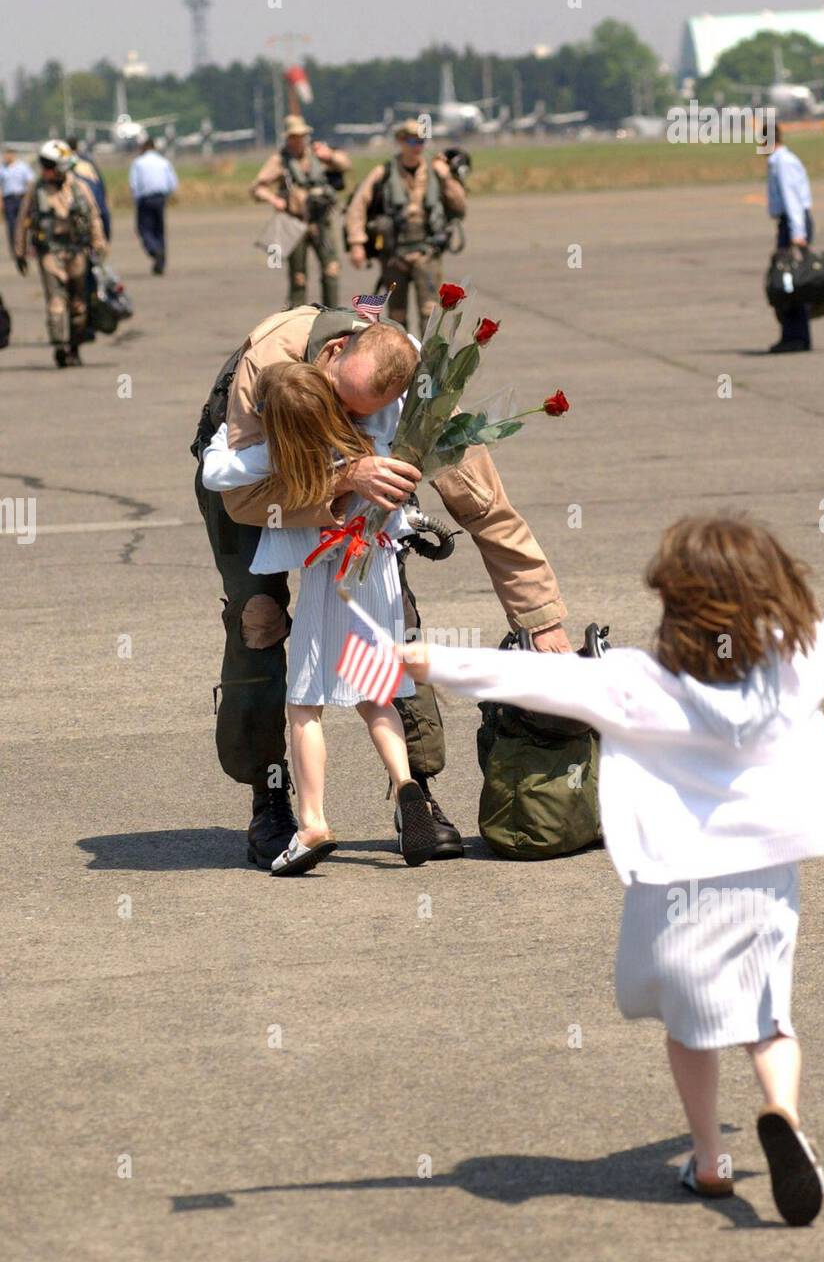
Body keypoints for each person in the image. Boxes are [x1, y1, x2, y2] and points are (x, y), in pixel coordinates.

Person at [399, 516, 824, 1227]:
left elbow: (532, 676)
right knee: (769, 1019)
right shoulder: (789, 670)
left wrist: (424, 659)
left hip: (674, 887)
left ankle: (708, 1161)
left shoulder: (640, 682)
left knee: (690, 1025)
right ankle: (782, 1111)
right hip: (763, 879)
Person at [192, 303, 569, 873]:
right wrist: (341, 479)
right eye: (339, 405)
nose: (345, 423)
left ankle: (414, 790)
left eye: (360, 416)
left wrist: (541, 620)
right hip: (256, 479)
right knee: (259, 617)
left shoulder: (420, 389)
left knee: (393, 626)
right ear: (332, 354)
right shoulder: (268, 365)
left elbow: (486, 509)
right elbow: (240, 498)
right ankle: (269, 797)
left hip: (350, 507)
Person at [203, 361, 439, 874]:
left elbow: (216, 472)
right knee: (377, 698)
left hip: (329, 578)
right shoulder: (369, 435)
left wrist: (227, 433)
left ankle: (312, 824)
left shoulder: (281, 456)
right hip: (377, 575)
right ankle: (407, 787)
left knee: (305, 707)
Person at [345, 119, 466, 334]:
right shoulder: (383, 172)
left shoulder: (435, 172)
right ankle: (402, 364)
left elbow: (460, 207)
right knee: (397, 317)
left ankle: (428, 366)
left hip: (427, 252)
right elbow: (358, 205)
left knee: (430, 314)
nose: (417, 146)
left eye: (421, 141)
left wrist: (447, 175)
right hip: (395, 255)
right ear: (400, 142)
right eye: (412, 140)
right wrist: (356, 243)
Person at [13, 139, 106, 367]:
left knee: (78, 302)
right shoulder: (36, 190)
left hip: (76, 252)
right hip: (50, 254)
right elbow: (22, 222)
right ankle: (60, 347)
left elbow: (93, 215)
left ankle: (74, 345)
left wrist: (99, 243)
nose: (45, 171)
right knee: (56, 302)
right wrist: (20, 252)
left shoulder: (78, 187)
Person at [250, 114, 350, 309]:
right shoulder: (279, 161)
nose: (298, 141)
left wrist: (330, 156)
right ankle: (297, 315)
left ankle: (333, 314)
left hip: (322, 221)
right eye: (293, 137)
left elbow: (346, 164)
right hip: (294, 223)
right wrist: (274, 199)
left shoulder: (318, 154)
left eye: (301, 136)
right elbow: (256, 188)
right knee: (298, 277)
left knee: (332, 269)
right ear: (287, 138)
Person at [766, 124, 813, 354]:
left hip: (793, 224)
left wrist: (797, 235)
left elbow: (792, 199)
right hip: (792, 224)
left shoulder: (782, 163)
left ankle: (795, 336)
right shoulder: (779, 161)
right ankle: (796, 335)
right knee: (792, 282)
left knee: (789, 282)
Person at [129, 137, 178, 274]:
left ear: (143, 148)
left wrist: (137, 199)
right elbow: (173, 183)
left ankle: (154, 250)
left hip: (145, 199)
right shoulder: (163, 162)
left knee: (144, 229)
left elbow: (134, 185)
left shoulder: (138, 163)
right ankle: (160, 264)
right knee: (159, 230)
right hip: (160, 198)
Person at [67, 136, 111, 241]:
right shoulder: (86, 161)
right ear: (77, 146)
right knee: (101, 216)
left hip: (73, 202)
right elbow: (99, 183)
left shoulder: (64, 162)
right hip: (91, 199)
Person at [1, 148, 34, 257]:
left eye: (8, 154)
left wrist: (29, 198)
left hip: (21, 198)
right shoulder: (2, 169)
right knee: (11, 225)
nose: (6, 157)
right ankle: (15, 250)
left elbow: (30, 182)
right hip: (8, 199)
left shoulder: (22, 167)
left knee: (23, 223)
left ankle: (25, 247)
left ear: (13, 155)